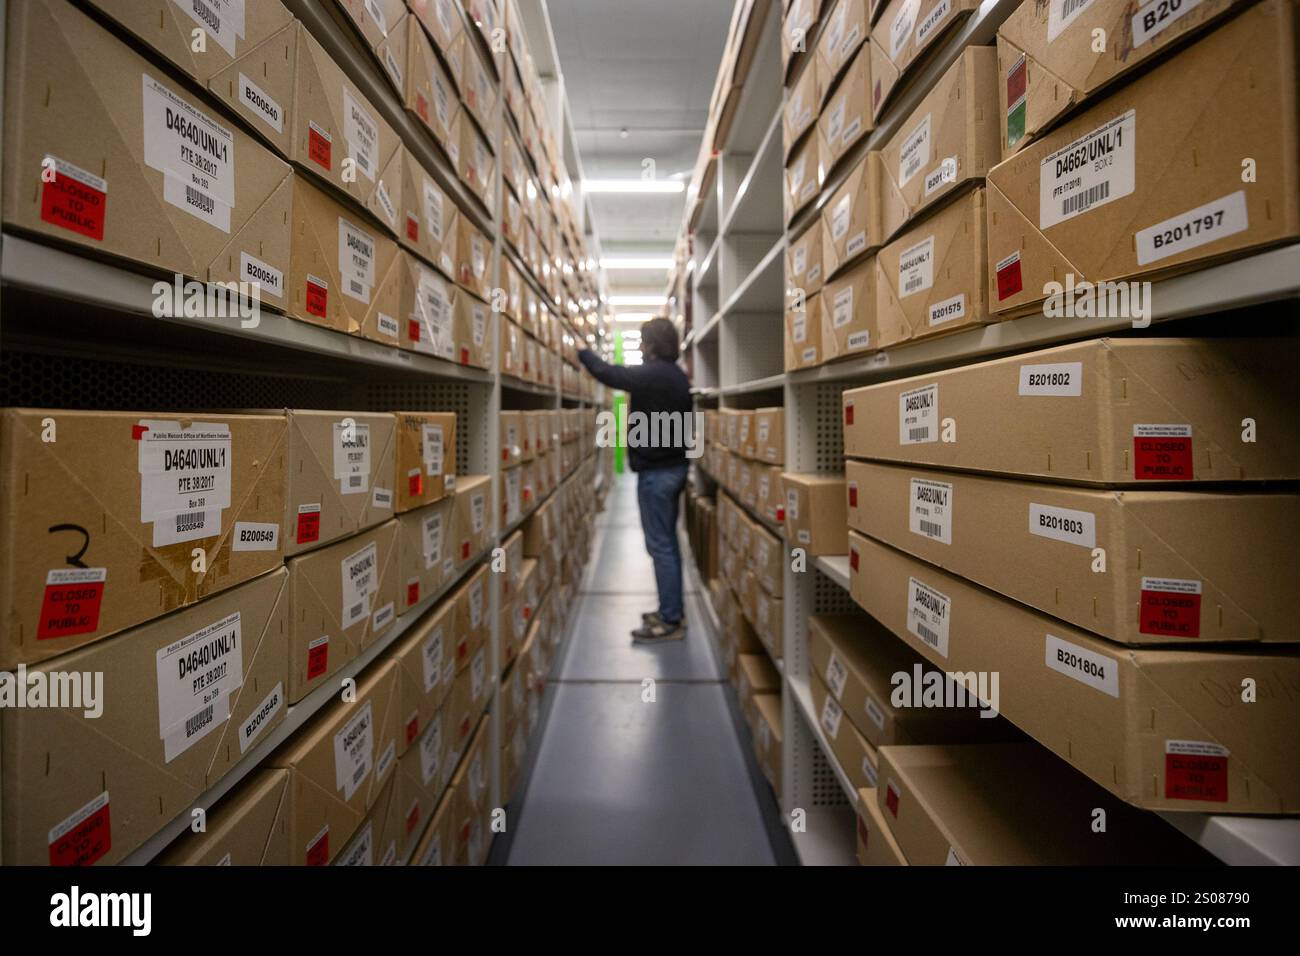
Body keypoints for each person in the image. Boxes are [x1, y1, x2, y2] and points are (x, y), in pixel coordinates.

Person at [577, 317, 693, 643]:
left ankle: (670, 621)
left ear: (653, 344)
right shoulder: (677, 376)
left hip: (658, 474)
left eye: (643, 342)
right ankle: (671, 611)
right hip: (672, 469)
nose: (641, 348)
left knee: (661, 546)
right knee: (666, 543)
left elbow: (608, 373)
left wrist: (583, 352)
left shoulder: (655, 374)